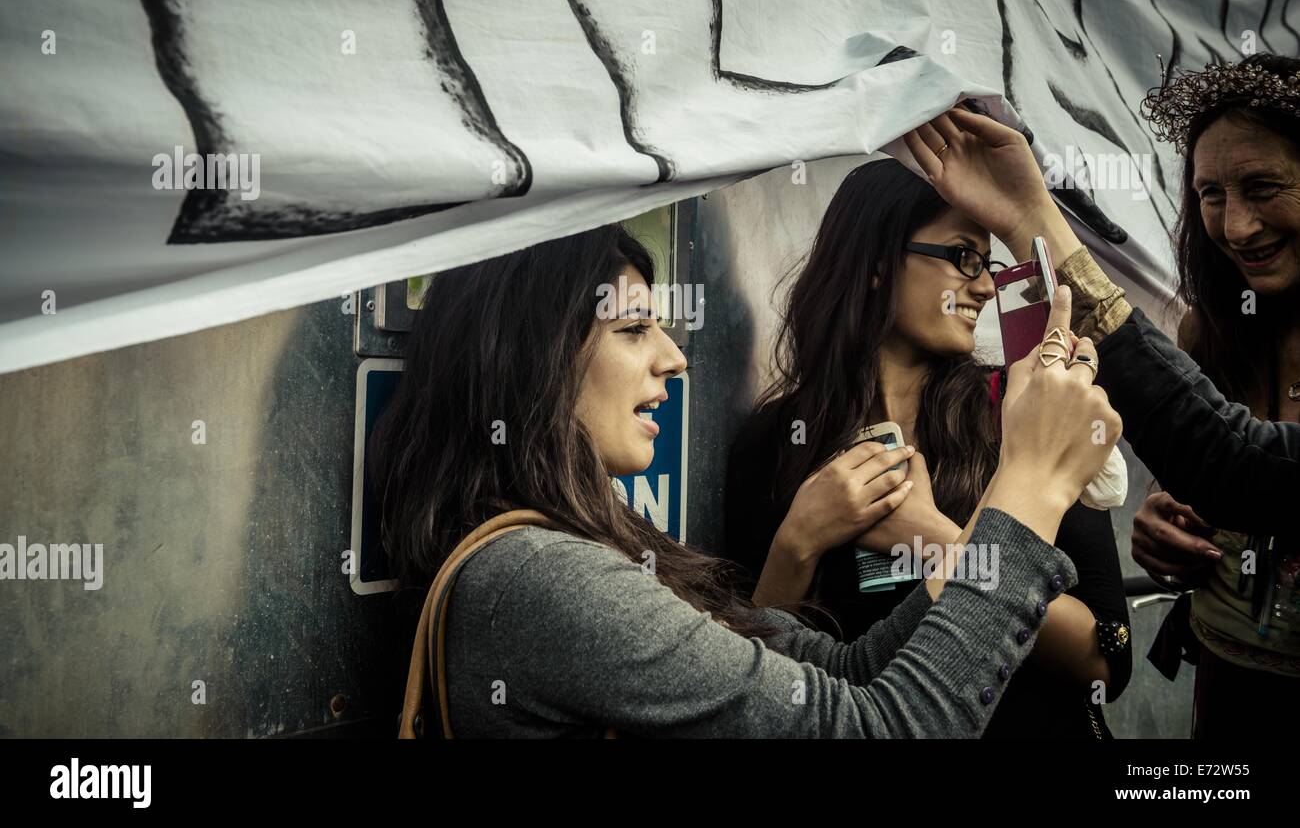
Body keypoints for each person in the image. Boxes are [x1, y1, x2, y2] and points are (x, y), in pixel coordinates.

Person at [370, 223, 1120, 737]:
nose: (674, 357)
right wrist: (1030, 485)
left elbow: (842, 669)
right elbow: (882, 727)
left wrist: (963, 524)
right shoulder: (536, 577)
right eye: (633, 330)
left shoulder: (586, 544)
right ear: (530, 357)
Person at [902, 54, 1300, 736]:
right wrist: (1174, 528)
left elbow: (1239, 467)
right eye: (1210, 195)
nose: (1236, 226)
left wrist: (1035, 216)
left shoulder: (1033, 408)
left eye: (1264, 187)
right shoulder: (1215, 332)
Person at [725, 159, 1131, 738]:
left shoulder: (1018, 413)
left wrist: (930, 537)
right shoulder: (775, 443)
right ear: (876, 262)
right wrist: (797, 544)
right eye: (964, 256)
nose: (988, 284)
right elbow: (750, 675)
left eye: (988, 264)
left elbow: (1105, 660)